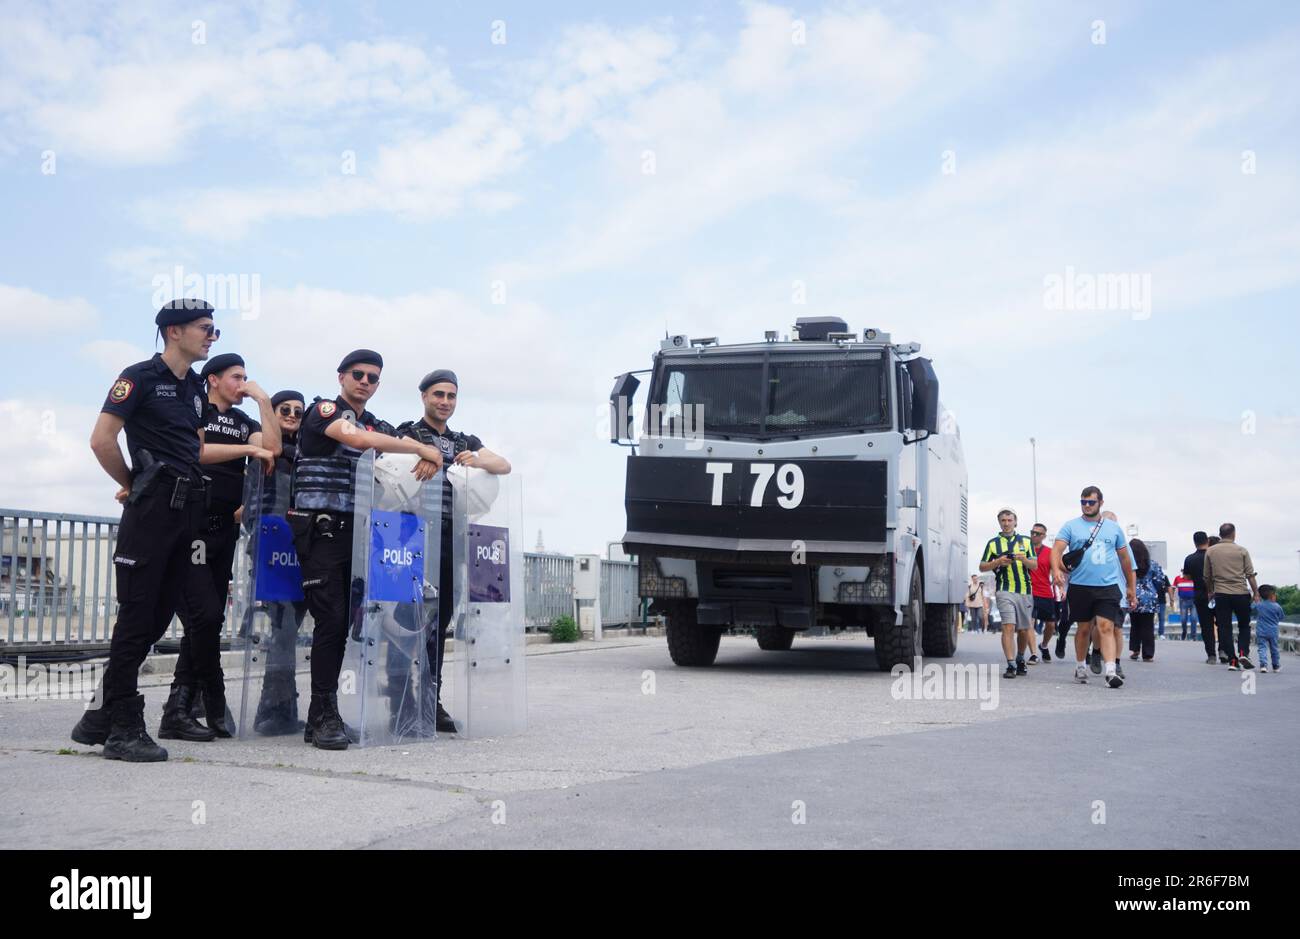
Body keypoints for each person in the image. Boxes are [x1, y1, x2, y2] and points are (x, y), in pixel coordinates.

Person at [70, 300, 227, 761]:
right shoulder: (137, 377)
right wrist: (132, 484)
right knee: (137, 617)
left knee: (159, 618)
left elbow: (194, 450)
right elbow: (102, 440)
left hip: (187, 511)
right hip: (152, 510)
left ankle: (99, 714)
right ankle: (121, 727)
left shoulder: (197, 389)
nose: (212, 336)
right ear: (173, 331)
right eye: (205, 328)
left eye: (214, 329)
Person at [290, 350, 445, 750]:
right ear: (342, 376)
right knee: (331, 619)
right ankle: (324, 713)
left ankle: (319, 717)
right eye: (358, 374)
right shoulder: (323, 410)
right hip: (320, 531)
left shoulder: (376, 423)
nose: (365, 382)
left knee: (341, 625)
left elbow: (401, 440)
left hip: (356, 536)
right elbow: (355, 437)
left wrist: (428, 453)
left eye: (373, 378)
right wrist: (418, 450)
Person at [163, 352, 277, 741]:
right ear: (213, 379)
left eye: (246, 376)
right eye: (236, 377)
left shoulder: (244, 421)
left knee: (206, 619)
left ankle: (188, 705)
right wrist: (248, 451)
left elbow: (272, 449)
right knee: (204, 615)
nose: (242, 383)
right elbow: (195, 453)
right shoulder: (197, 409)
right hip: (189, 523)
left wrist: (263, 402)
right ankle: (206, 700)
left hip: (223, 530)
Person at [396, 370, 511, 732]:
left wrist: (475, 460)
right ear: (424, 397)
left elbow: (503, 465)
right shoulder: (409, 433)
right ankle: (402, 702)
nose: (445, 402)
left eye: (451, 396)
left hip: (449, 540)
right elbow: (391, 459)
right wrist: (421, 451)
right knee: (406, 623)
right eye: (438, 395)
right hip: (410, 539)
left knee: (439, 622)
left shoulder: (464, 440)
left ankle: (431, 701)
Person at [250, 390, 311, 736]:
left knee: (288, 630)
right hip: (271, 545)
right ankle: (272, 711)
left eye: (297, 411)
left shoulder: (304, 449)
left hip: (300, 545)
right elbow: (269, 451)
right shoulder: (263, 441)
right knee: (282, 628)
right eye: (283, 410)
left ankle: (282, 708)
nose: (291, 414)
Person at [1051, 486, 1136, 689]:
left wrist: (1131, 587)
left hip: (1107, 586)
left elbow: (1125, 559)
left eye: (1091, 502)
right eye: (1083, 502)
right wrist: (1056, 571)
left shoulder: (1114, 528)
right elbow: (1057, 550)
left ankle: (1110, 671)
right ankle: (1081, 666)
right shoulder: (1071, 526)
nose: (1087, 506)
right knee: (1084, 629)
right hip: (1080, 586)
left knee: (1106, 627)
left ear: (1101, 503)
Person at [979, 509, 1036, 678]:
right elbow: (982, 566)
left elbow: (1034, 565)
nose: (1006, 523)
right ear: (999, 522)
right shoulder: (993, 544)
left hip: (1024, 590)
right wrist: (998, 561)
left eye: (1009, 520)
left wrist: (1022, 559)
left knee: (1024, 630)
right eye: (1003, 520)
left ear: (1015, 522)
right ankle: (1011, 664)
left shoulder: (1026, 541)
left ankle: (1020, 658)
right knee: (1008, 626)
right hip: (1004, 589)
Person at [1205, 523, 1259, 670]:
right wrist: (1256, 592)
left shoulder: (1210, 551)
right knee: (1243, 625)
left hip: (1221, 594)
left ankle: (1233, 661)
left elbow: (1207, 576)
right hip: (1241, 593)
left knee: (1224, 628)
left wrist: (1210, 591)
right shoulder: (1242, 550)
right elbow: (1250, 575)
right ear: (1234, 534)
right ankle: (1243, 652)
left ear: (1220, 534)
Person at [1182, 532, 1220, 663]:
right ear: (1207, 540)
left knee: (1206, 626)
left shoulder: (1189, 559)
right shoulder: (1215, 556)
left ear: (1194, 542)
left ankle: (1211, 655)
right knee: (1222, 623)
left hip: (1200, 595)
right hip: (1218, 593)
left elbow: (1186, 577)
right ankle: (1224, 650)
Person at [1126, 539, 1165, 662]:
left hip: (1133, 596)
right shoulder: (1153, 564)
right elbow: (1160, 581)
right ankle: (1148, 654)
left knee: (1135, 624)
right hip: (1149, 598)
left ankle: (1135, 650)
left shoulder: (1128, 564)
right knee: (1148, 626)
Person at [1028, 523, 1059, 661]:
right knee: (1030, 623)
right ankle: (1034, 654)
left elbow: (1054, 570)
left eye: (1038, 534)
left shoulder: (1050, 552)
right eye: (1032, 532)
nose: (1034, 535)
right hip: (1028, 592)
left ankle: (1044, 646)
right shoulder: (1024, 549)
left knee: (1051, 625)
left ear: (1044, 536)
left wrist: (1057, 579)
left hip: (1045, 591)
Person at [1254, 585, 1284, 673]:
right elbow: (1281, 617)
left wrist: (1256, 600)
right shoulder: (1277, 606)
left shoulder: (1259, 605)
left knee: (1262, 648)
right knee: (1274, 648)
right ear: (1272, 596)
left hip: (1261, 631)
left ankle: (1263, 665)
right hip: (1273, 631)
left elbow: (1251, 608)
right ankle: (1275, 666)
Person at [1173, 570, 1199, 641]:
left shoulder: (1194, 578)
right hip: (1183, 601)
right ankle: (1184, 632)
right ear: (1182, 571)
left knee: (1193, 618)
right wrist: (1172, 598)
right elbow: (1173, 588)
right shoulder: (1178, 578)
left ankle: (1193, 636)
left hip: (1193, 601)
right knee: (1183, 619)